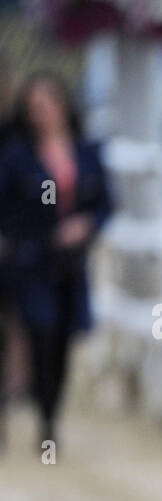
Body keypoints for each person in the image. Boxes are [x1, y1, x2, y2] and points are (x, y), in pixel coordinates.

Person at [0, 71, 113, 451]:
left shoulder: (87, 151)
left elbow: (105, 203)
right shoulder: (17, 155)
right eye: (35, 108)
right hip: (31, 263)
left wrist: (85, 225)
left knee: (63, 341)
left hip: (71, 264)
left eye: (47, 105)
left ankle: (49, 419)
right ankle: (35, 411)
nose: (42, 113)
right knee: (40, 335)